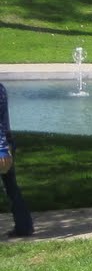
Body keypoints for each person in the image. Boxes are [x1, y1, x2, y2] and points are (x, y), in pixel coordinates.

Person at [0, 83, 34, 240]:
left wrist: (2, 148)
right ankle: (24, 226)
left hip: (3, 145)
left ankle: (24, 226)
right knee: (11, 187)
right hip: (7, 142)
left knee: (11, 187)